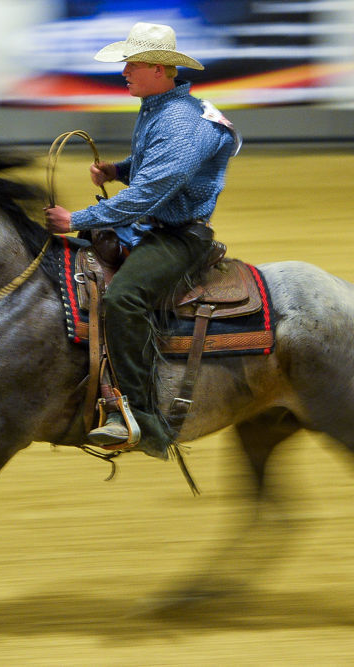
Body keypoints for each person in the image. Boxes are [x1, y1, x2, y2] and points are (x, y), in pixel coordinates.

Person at [45, 22, 241, 459]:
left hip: (177, 236)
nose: (124, 71)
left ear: (157, 67)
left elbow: (151, 192)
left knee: (124, 299)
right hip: (155, 226)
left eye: (131, 63)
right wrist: (119, 170)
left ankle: (138, 416)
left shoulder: (180, 122)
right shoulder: (163, 107)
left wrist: (75, 218)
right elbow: (155, 166)